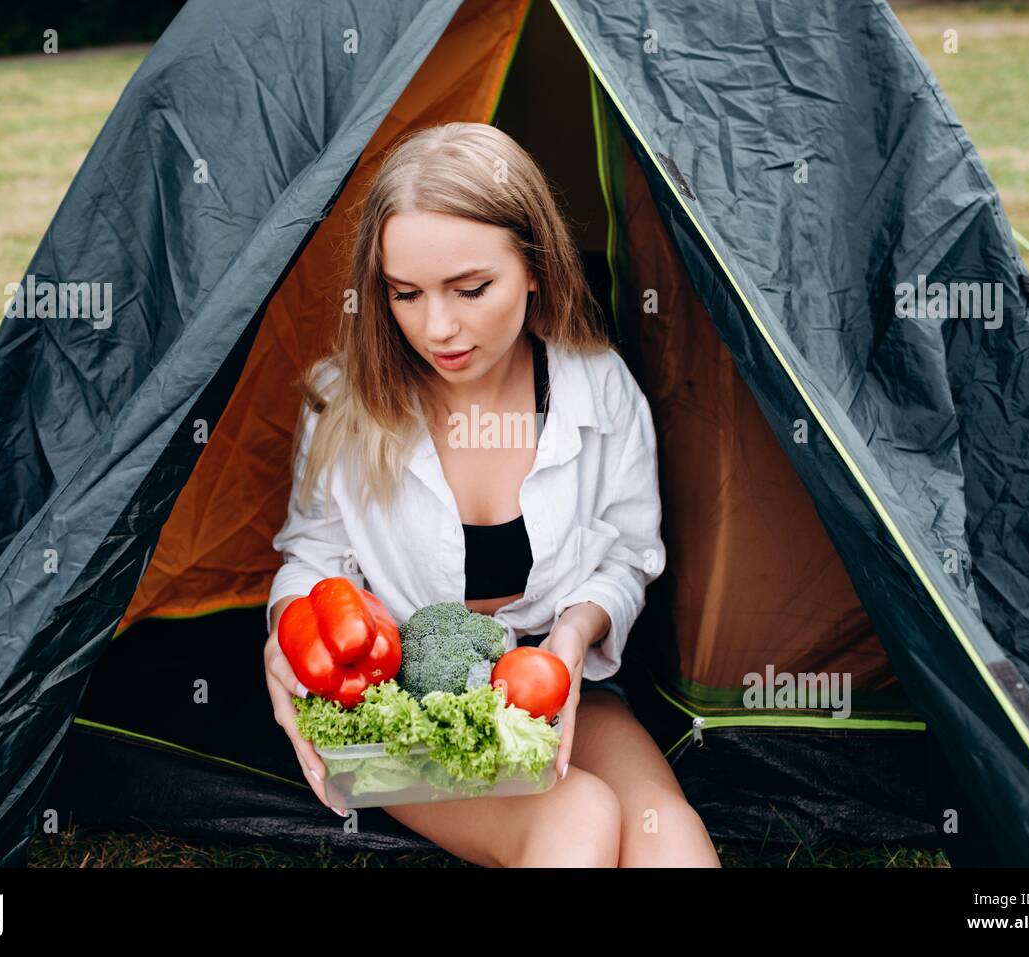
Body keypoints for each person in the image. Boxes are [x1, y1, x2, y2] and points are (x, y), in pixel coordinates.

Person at [262, 121, 720, 868]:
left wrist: (570, 645)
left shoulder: (599, 389)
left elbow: (632, 552)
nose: (438, 326)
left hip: (556, 678)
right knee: (577, 815)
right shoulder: (340, 403)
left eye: (472, 288)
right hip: (404, 711)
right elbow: (311, 556)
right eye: (405, 294)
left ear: (535, 266)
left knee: (667, 835)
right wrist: (287, 634)